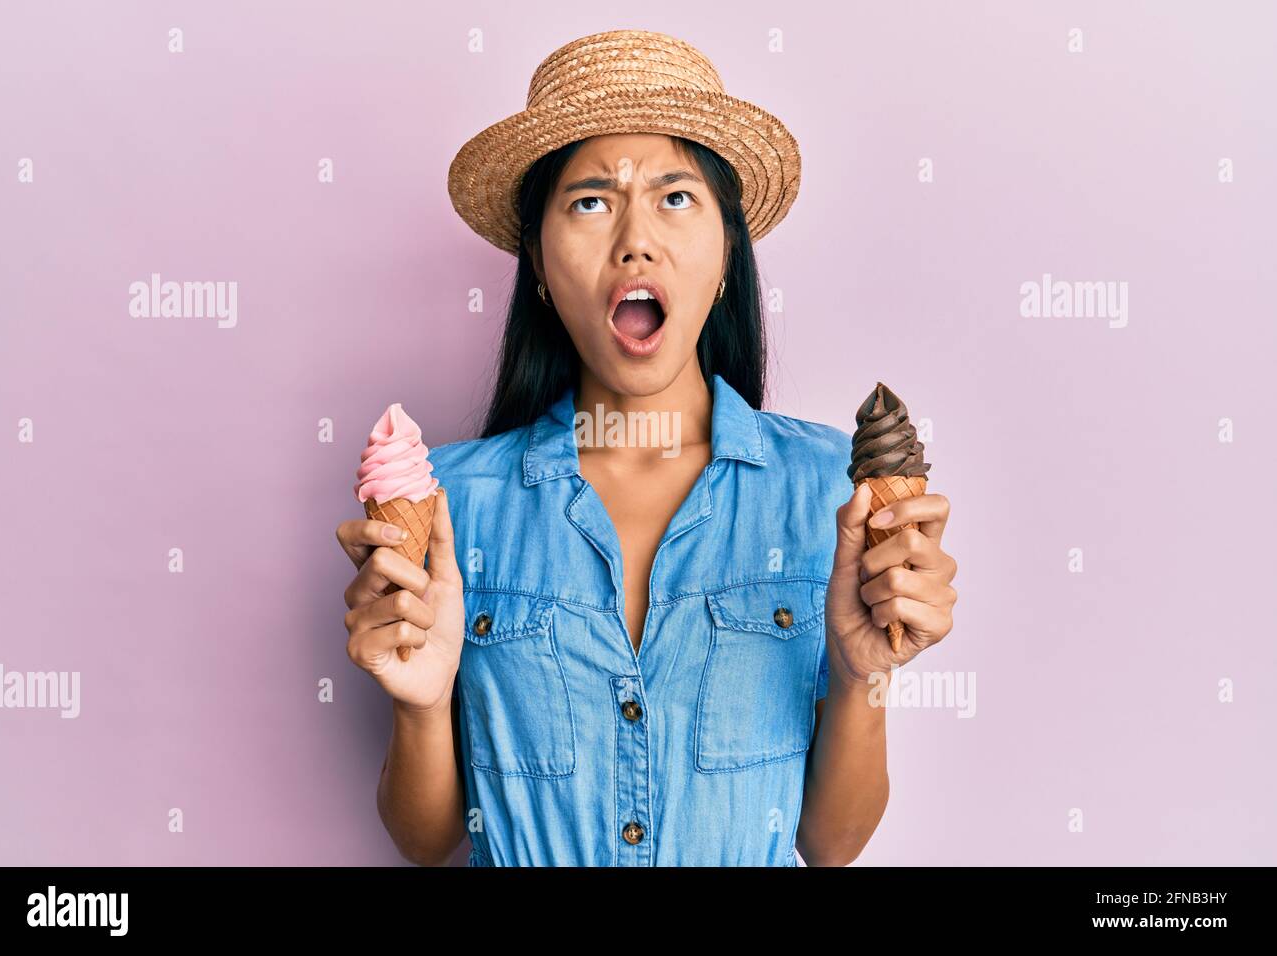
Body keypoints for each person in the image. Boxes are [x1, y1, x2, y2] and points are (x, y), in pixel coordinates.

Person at [335, 29, 958, 866]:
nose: (635, 239)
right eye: (591, 202)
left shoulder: (828, 492)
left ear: (727, 253)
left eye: (676, 197)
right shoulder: (451, 504)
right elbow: (427, 840)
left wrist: (861, 677)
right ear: (539, 264)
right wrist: (418, 706)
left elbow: (831, 844)